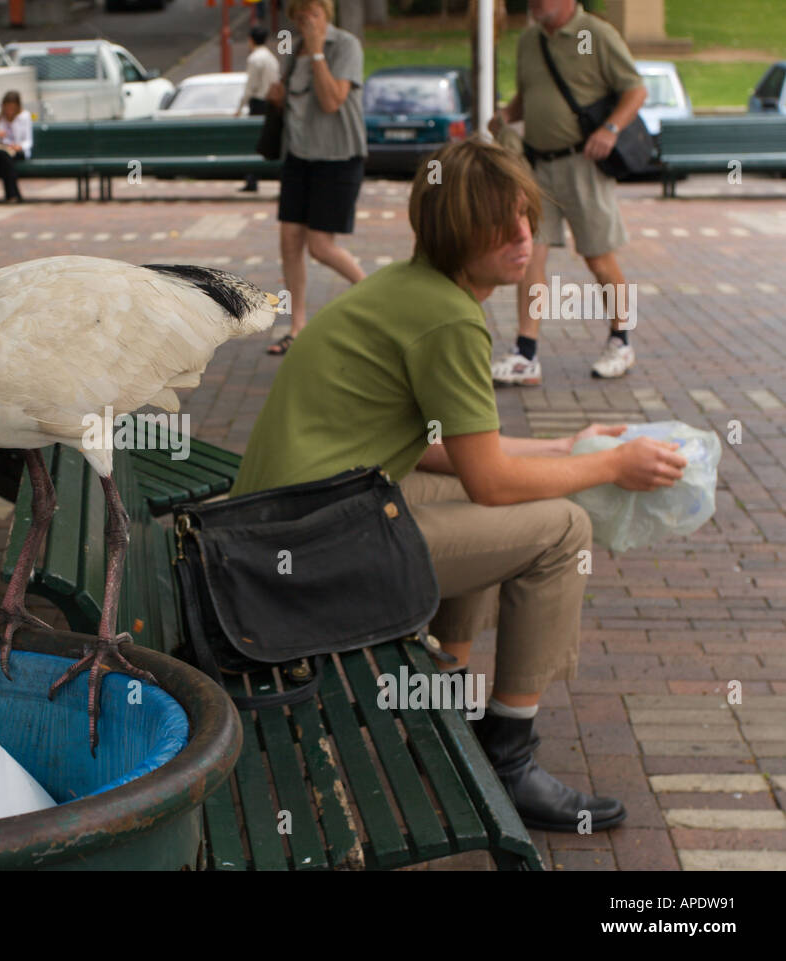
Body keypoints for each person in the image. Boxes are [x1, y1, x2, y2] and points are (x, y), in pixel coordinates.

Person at [230, 138, 688, 833]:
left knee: (497, 502)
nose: (523, 237)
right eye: (499, 224)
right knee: (562, 529)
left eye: (527, 219)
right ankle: (508, 756)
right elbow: (494, 480)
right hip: (305, 550)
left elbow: (454, 451)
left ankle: (438, 696)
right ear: (453, 231)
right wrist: (610, 467)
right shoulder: (449, 317)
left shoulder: (409, 288)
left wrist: (565, 445)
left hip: (287, 523)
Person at [488, 0, 647, 385]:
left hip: (583, 165)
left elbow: (634, 90)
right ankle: (526, 354)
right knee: (529, 257)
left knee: (598, 257)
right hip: (537, 166)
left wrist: (609, 130)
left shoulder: (593, 36)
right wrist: (507, 116)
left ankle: (621, 341)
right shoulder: (529, 40)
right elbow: (530, 96)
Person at [265, 0, 367, 356]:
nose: (306, 20)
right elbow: (297, 102)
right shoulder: (291, 49)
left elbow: (331, 101)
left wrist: (319, 53)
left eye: (314, 12)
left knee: (320, 246)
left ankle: (372, 295)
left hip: (337, 157)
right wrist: (277, 98)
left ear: (327, 14)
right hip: (299, 156)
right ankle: (297, 326)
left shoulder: (346, 46)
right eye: (301, 13)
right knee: (290, 241)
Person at [236, 25, 280, 193]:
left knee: (253, 142)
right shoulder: (271, 58)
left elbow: (250, 87)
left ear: (251, 39)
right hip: (270, 103)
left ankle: (251, 179)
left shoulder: (255, 59)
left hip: (258, 103)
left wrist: (240, 107)